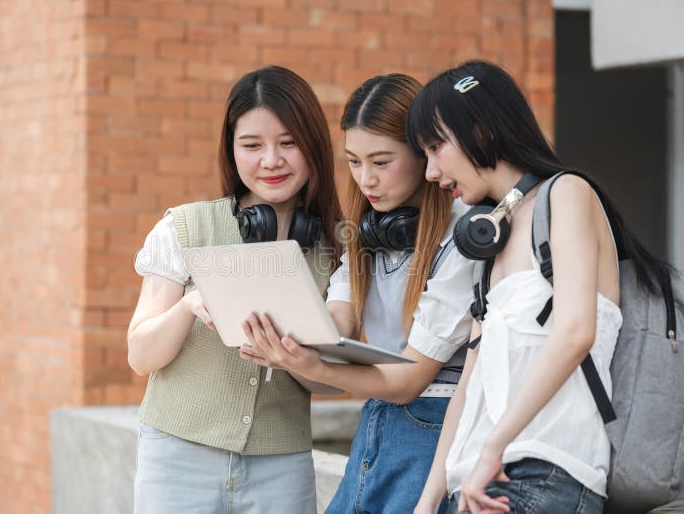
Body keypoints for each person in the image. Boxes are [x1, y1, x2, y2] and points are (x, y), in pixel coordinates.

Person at [409, 60, 671, 514]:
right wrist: (428, 500)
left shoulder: (566, 195)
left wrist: (495, 447)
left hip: (544, 474)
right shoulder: (491, 240)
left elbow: (575, 332)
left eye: (436, 147)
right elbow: (469, 386)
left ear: (481, 130)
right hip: (471, 484)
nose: (431, 171)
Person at [240, 73, 476, 514]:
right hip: (377, 423)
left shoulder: (464, 236)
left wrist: (315, 367)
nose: (366, 179)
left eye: (382, 162)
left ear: (425, 155)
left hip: (439, 430)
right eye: (353, 161)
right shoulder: (365, 229)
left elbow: (408, 382)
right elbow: (339, 321)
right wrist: (291, 332)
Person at [127, 66, 343, 514]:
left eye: (288, 143)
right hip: (176, 458)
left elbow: (335, 378)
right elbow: (140, 357)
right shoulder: (185, 228)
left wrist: (290, 356)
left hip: (281, 466)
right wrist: (188, 304)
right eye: (251, 145)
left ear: (314, 146)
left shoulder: (337, 246)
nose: (271, 160)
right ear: (231, 149)